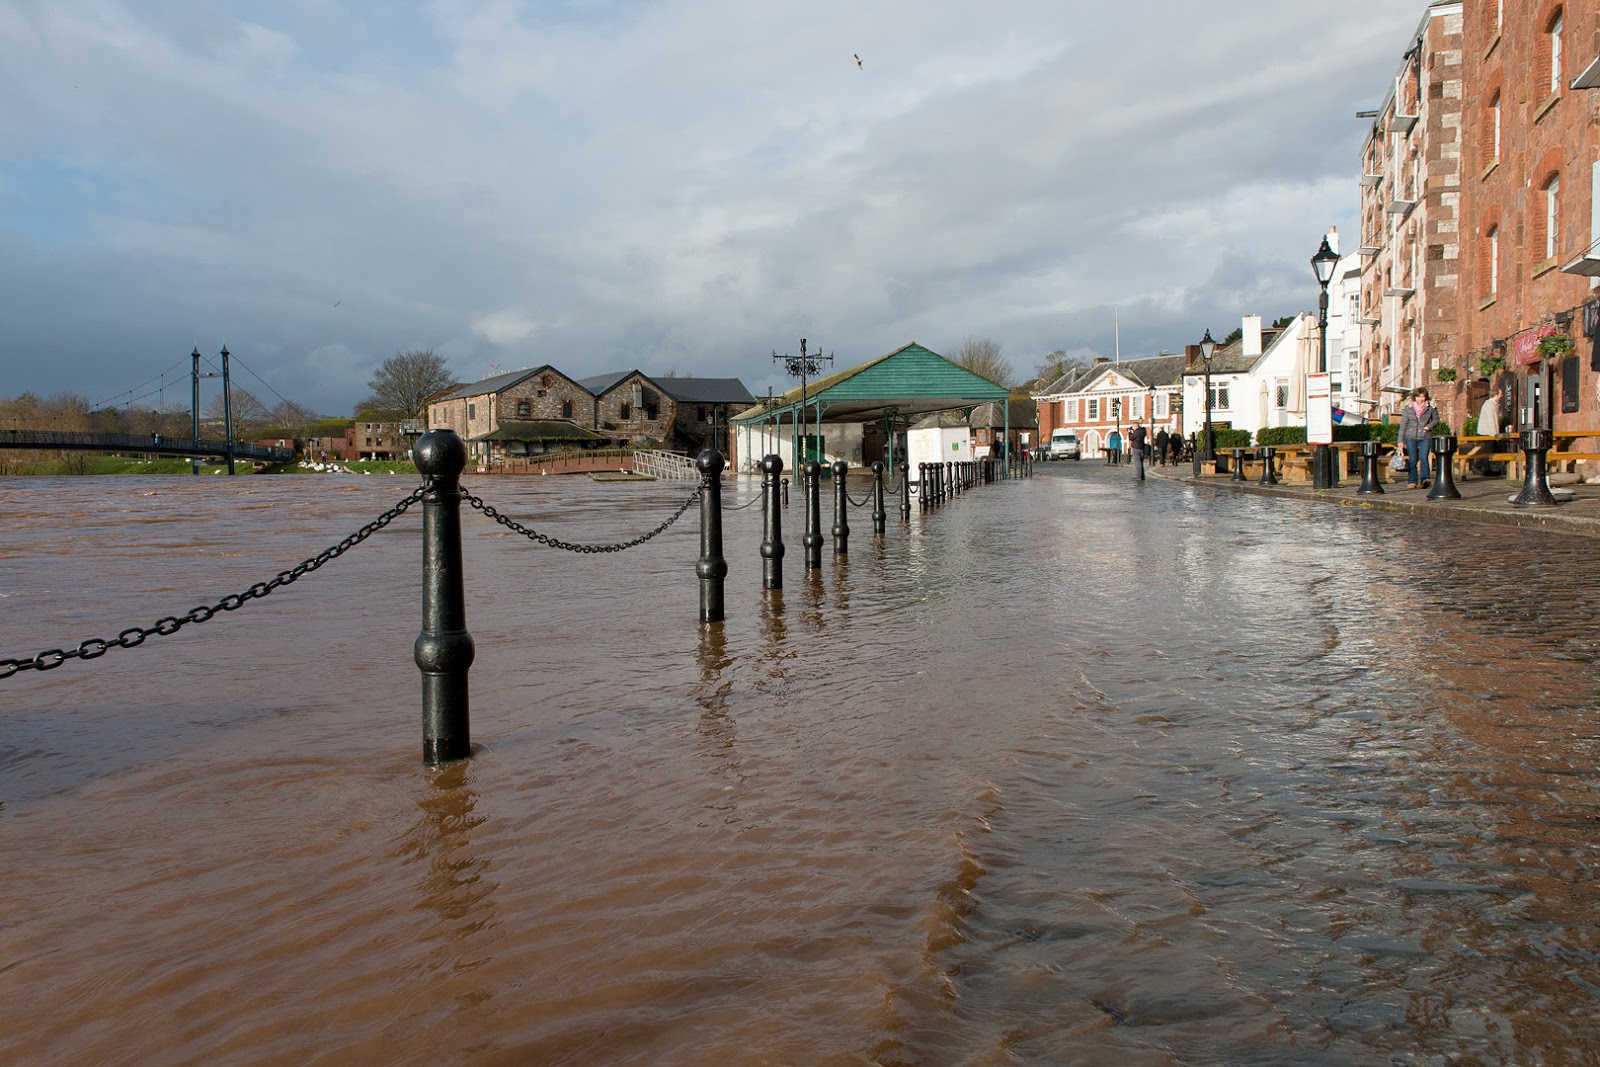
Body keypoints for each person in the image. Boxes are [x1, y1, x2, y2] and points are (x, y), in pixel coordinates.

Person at [1398, 387, 1440, 489]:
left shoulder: (1431, 407)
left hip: (1425, 436)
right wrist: (1400, 440)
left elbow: (1436, 420)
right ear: (1414, 397)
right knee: (1412, 459)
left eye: (1422, 397)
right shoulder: (1408, 408)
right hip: (1410, 436)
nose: (1420, 399)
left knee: (1424, 458)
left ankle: (1425, 479)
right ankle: (1412, 481)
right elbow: (1403, 424)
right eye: (1418, 397)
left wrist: (1428, 427)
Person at [1475, 387, 1504, 477]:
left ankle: (1484, 467)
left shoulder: (1490, 404)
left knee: (1486, 450)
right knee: (1486, 451)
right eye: (1500, 394)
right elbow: (1491, 420)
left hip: (1488, 432)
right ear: (1496, 395)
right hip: (1487, 432)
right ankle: (1482, 467)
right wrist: (1494, 433)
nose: (1501, 396)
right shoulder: (1489, 405)